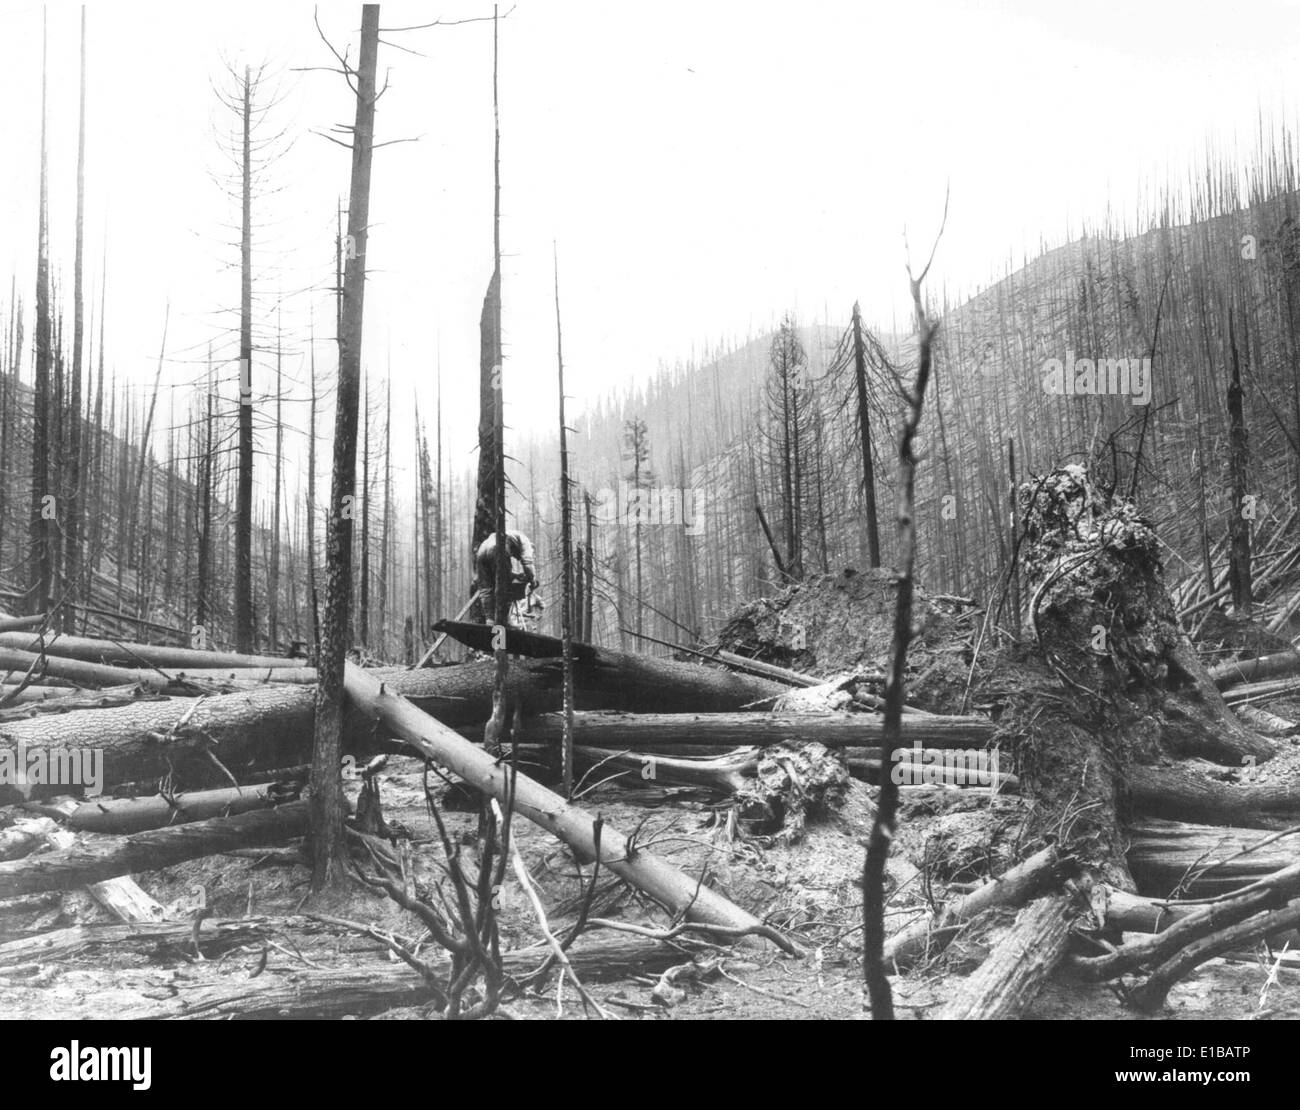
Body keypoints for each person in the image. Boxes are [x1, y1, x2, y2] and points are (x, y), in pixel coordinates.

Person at [475, 529, 539, 625]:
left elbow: (501, 572)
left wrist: (515, 575)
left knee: (486, 588)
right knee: (505, 587)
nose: (518, 558)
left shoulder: (513, 536)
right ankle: (504, 622)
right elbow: (528, 563)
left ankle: (490, 621)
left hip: (482, 550)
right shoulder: (526, 542)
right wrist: (532, 580)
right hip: (498, 548)